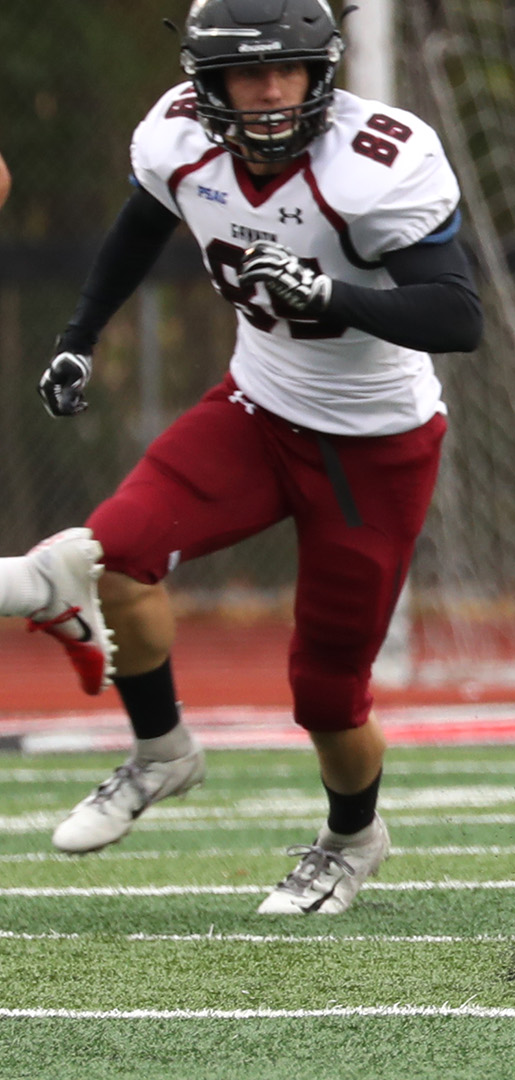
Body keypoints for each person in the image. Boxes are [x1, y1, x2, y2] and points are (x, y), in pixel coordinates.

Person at [0, 0, 480, 914]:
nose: (267, 92)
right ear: (204, 83)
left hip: (374, 447)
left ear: (321, 72)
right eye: (245, 74)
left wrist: (331, 293)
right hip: (256, 408)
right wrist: (80, 335)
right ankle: (161, 751)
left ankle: (351, 839)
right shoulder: (178, 136)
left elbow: (458, 317)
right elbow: (142, 222)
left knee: (327, 695)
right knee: (120, 554)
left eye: (286, 70)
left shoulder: (376, 162)